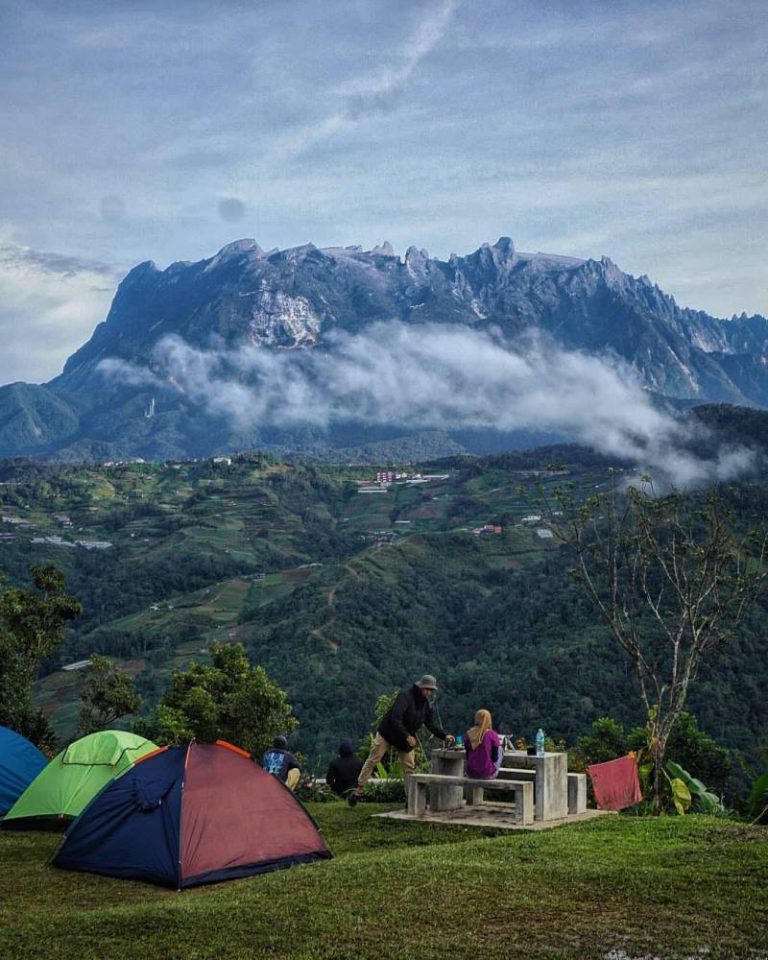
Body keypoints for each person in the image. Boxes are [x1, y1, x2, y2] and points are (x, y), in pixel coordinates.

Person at [349, 674, 454, 806]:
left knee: (409, 767)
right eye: (427, 689)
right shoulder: (405, 696)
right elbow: (395, 718)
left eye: (431, 690)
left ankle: (410, 799)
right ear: (420, 687)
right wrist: (407, 735)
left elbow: (430, 724)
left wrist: (444, 735)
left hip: (404, 738)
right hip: (388, 733)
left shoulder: (426, 705)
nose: (429, 692)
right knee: (374, 759)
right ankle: (358, 790)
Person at [464, 709, 503, 780]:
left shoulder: (468, 734)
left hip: (470, 773)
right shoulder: (492, 734)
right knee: (500, 749)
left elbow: (467, 755)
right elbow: (495, 758)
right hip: (487, 774)